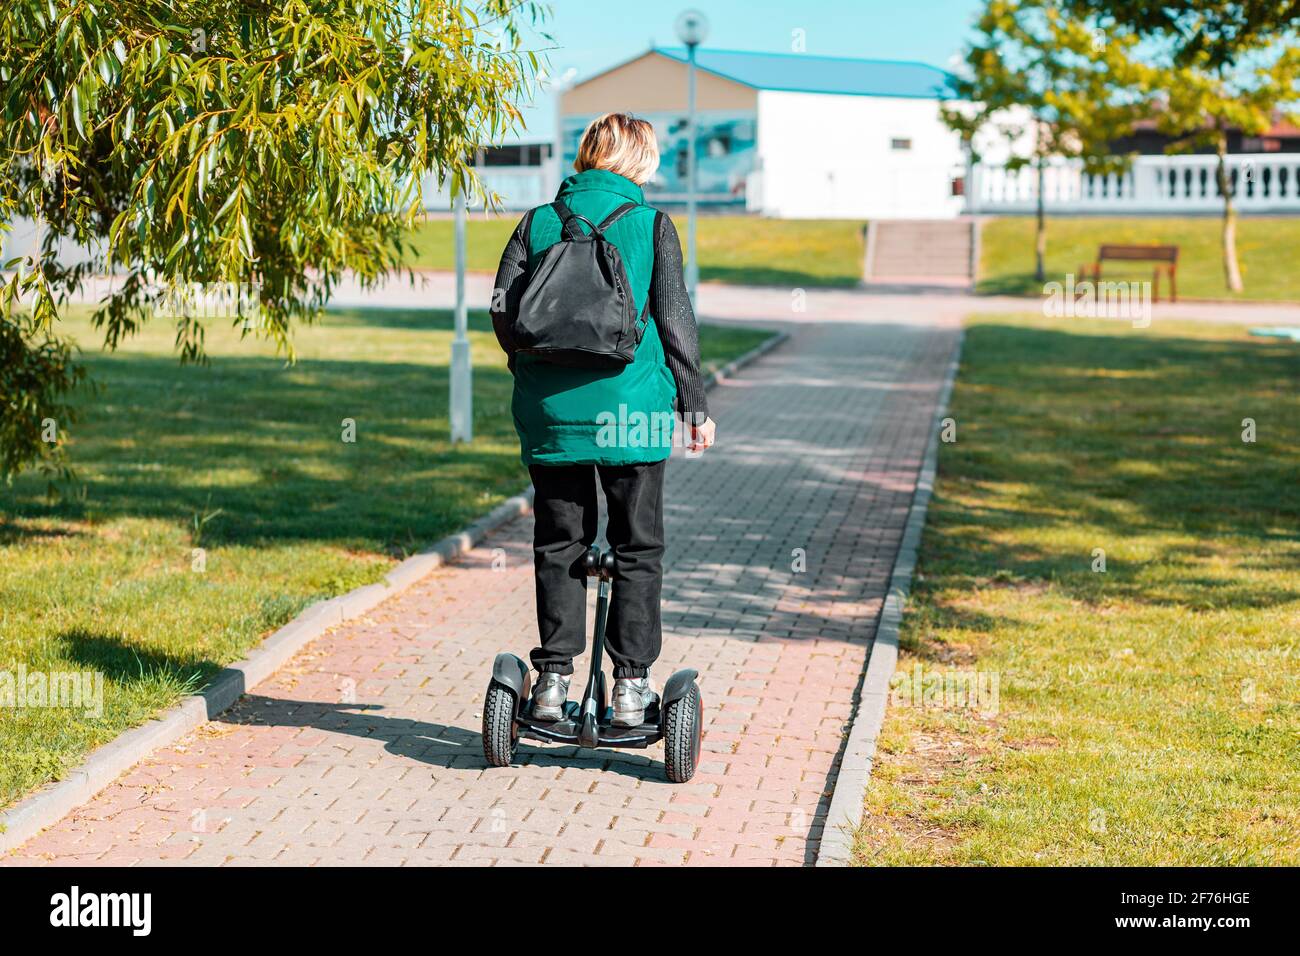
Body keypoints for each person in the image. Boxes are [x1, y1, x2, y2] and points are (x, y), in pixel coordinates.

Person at [490, 112, 716, 727]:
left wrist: (533, 374)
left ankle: (552, 682)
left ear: (588, 154)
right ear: (639, 161)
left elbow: (503, 310)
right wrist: (693, 407)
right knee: (637, 549)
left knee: (558, 543)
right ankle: (630, 688)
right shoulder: (651, 225)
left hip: (551, 418)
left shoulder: (538, 222)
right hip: (635, 418)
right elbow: (676, 325)